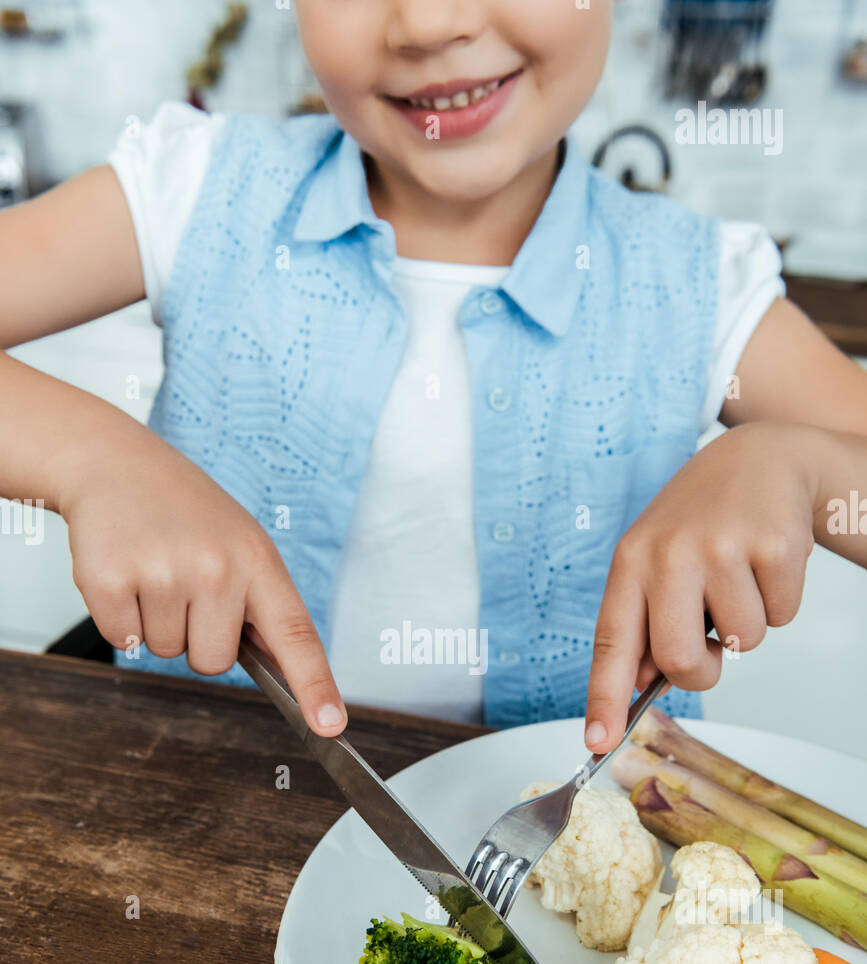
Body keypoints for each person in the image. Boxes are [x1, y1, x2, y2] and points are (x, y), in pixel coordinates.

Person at [1, 0, 865, 754]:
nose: (425, 21)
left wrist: (798, 465)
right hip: (197, 814)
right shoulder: (193, 189)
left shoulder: (694, 282)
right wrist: (94, 460)